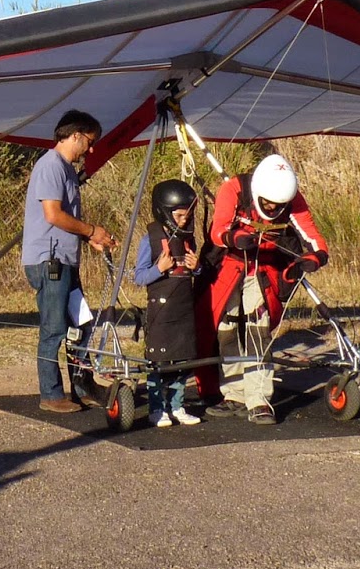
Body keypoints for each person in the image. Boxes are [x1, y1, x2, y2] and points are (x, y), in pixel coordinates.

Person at [203, 153, 329, 424]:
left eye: (277, 205)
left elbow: (312, 235)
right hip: (229, 266)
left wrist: (315, 257)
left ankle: (258, 399)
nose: (272, 208)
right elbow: (218, 230)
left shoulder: (292, 200)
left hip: (263, 270)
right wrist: (234, 237)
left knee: (258, 328)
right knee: (227, 328)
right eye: (267, 203)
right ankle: (234, 394)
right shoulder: (234, 189)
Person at [22, 110, 117, 412]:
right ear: (75, 135)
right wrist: (91, 230)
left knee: (81, 323)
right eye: (89, 142)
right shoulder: (50, 166)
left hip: (64, 259)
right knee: (54, 328)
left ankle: (83, 386)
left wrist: (92, 238)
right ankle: (51, 394)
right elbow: (53, 214)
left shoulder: (65, 170)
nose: (90, 150)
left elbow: (66, 220)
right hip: (49, 261)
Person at [133, 178, 205, 427]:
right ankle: (157, 408)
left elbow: (196, 272)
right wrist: (158, 268)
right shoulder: (150, 240)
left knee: (182, 360)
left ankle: (177, 406)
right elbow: (139, 277)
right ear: (165, 212)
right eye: (179, 215)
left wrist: (197, 268)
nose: (184, 220)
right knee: (159, 363)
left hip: (184, 309)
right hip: (160, 311)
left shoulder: (189, 239)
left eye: (188, 215)